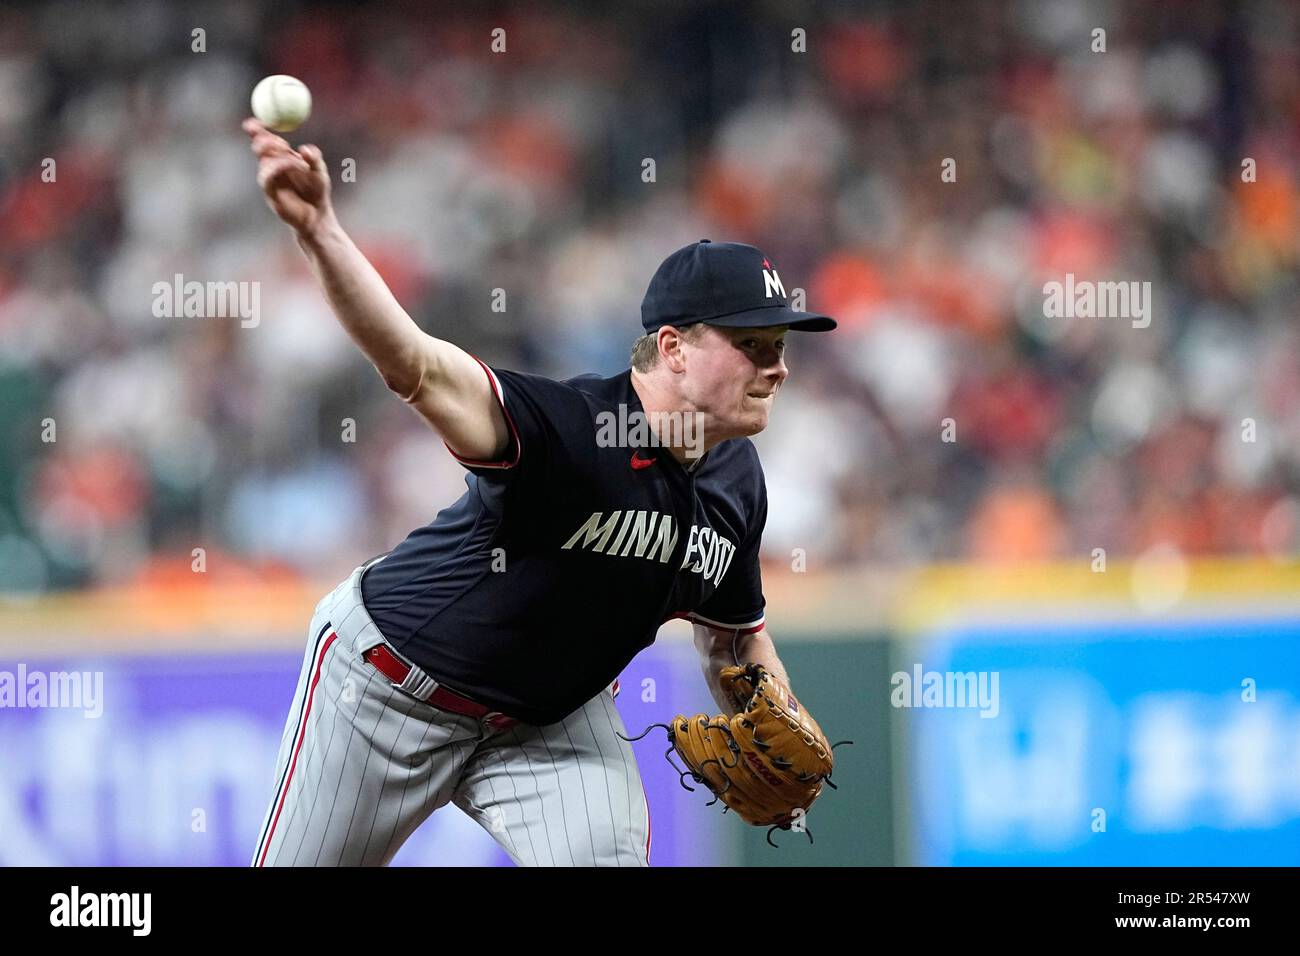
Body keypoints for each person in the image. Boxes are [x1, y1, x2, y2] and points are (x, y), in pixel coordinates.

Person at [243, 118, 837, 866]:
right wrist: (322, 232)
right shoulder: (573, 430)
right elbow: (416, 366)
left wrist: (770, 709)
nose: (777, 367)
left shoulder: (735, 481)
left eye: (779, 347)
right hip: (385, 692)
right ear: (675, 350)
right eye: (752, 345)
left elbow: (733, 636)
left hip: (552, 724)